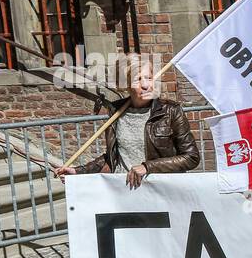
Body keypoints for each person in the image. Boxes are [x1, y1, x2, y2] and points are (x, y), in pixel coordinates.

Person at [56, 59, 199, 187]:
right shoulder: (116, 111)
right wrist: (78, 171)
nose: (145, 85)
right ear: (127, 86)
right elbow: (113, 157)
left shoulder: (171, 111)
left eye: (149, 78)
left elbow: (191, 157)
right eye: (137, 80)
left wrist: (148, 167)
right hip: (124, 190)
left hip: (159, 190)